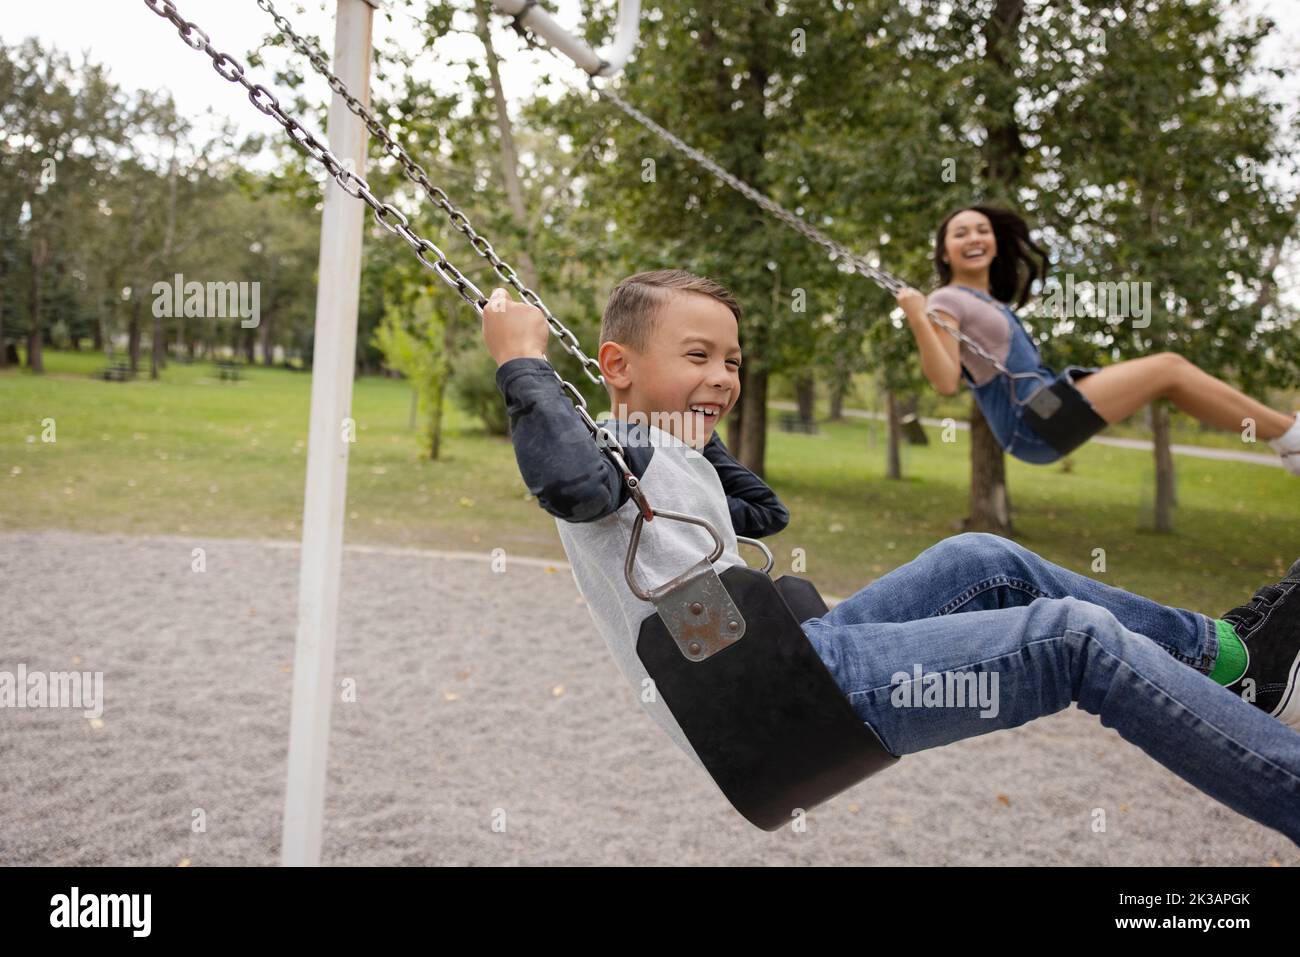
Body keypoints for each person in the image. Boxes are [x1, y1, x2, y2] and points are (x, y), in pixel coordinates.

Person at [484, 268, 1300, 844]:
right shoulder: (603, 454)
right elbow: (563, 482)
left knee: (982, 559)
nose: (725, 376)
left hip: (786, 662)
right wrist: (524, 361)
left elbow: (765, 511)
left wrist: (693, 419)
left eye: (732, 361)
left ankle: (1230, 659)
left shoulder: (663, 452)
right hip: (758, 700)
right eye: (698, 356)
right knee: (1072, 638)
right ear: (615, 365)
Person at [894, 204, 1300, 471]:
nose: (974, 238)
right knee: (1168, 368)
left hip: (1045, 406)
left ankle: (1284, 442)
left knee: (1171, 379)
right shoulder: (946, 298)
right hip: (1030, 422)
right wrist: (917, 316)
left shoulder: (988, 300)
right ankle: (1289, 435)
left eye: (982, 230)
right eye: (960, 233)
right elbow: (945, 381)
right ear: (945, 252)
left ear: (996, 243)